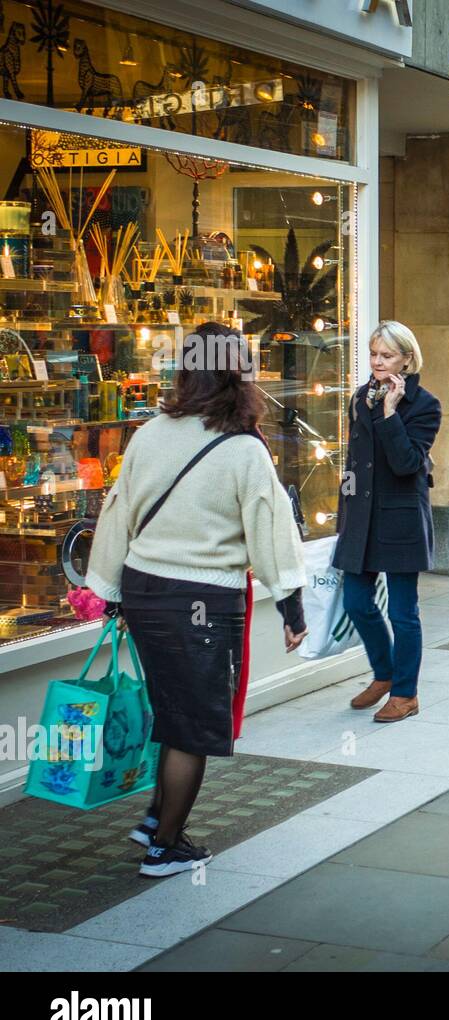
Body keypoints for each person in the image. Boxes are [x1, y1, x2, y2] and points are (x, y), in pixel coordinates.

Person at [86, 321, 307, 877]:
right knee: (193, 726)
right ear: (240, 374)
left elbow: (118, 509)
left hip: (144, 590)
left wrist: (105, 589)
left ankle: (155, 817)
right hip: (203, 598)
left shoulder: (152, 431)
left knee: (173, 711)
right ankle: (166, 846)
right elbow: (270, 529)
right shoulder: (244, 448)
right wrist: (291, 606)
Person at [333, 321, 441, 723]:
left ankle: (405, 693)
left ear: (407, 359)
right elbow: (354, 462)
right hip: (360, 518)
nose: (377, 362)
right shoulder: (360, 397)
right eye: (374, 354)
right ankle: (384, 672)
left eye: (387, 355)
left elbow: (408, 463)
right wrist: (344, 513)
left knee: (403, 612)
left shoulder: (425, 404)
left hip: (401, 519)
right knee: (356, 602)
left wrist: (390, 413)